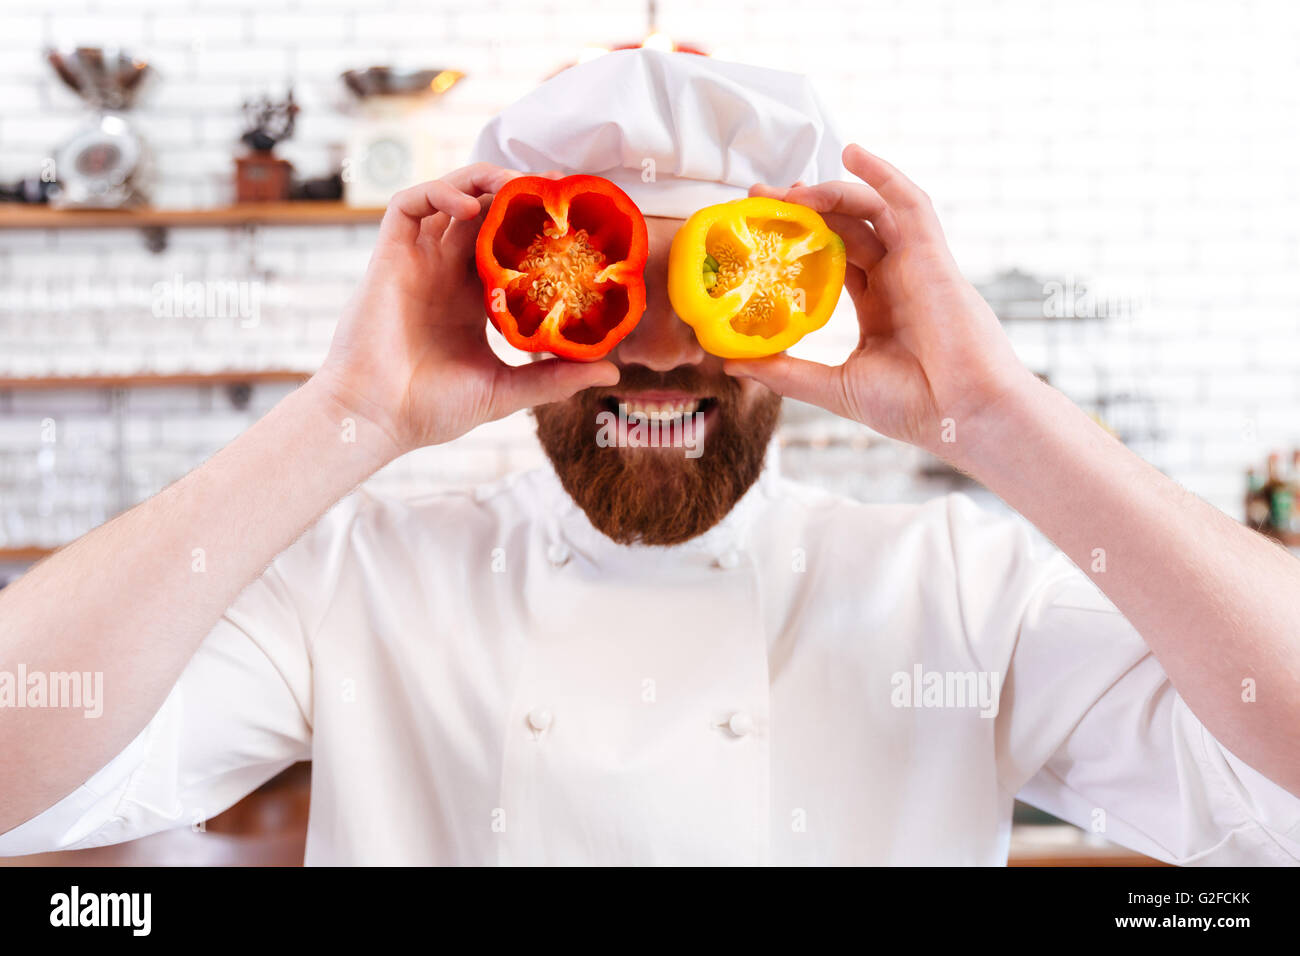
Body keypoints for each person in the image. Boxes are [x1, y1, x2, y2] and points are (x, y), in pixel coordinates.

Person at [1, 50, 1297, 866]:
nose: (665, 354)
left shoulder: (960, 592)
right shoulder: (357, 585)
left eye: (727, 281)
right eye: (604, 284)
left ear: (809, 296)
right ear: (510, 297)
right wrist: (347, 414)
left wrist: (1002, 414)